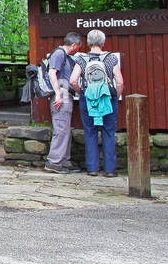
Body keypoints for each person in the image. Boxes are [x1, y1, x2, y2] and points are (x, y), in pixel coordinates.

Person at [69, 30, 124, 177]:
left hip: (88, 100)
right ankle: (110, 170)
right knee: (108, 132)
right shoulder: (110, 58)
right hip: (107, 100)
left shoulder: (81, 59)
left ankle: (92, 169)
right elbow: (120, 81)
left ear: (88, 42)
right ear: (103, 42)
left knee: (90, 132)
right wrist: (114, 97)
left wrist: (82, 93)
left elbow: (73, 80)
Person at [44, 31, 85, 173]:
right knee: (61, 129)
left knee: (65, 130)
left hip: (65, 95)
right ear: (74, 45)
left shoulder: (64, 55)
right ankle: (53, 162)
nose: (79, 49)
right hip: (61, 95)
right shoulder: (59, 53)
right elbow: (51, 73)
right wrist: (58, 94)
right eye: (79, 46)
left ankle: (64, 161)